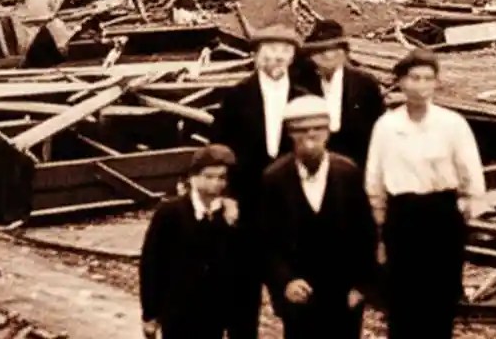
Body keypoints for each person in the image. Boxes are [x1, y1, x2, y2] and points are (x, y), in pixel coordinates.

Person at [365, 49, 488, 339]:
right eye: (414, 78)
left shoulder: (452, 123)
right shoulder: (387, 126)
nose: (421, 85)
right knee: (403, 299)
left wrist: (470, 211)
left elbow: (470, 171)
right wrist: (379, 223)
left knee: (440, 299)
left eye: (428, 79)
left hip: (441, 215)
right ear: (401, 82)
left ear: (435, 83)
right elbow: (375, 176)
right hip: (403, 216)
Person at [210, 23, 301, 339]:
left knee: (293, 293)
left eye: (284, 51)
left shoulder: (304, 98)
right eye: (270, 51)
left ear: (292, 57)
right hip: (245, 208)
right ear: (256, 56)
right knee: (241, 295)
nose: (276, 58)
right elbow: (218, 149)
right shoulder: (236, 97)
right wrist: (228, 196)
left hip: (291, 210)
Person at [261, 96, 377, 339]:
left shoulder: (347, 173)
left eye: (317, 129)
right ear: (290, 134)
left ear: (328, 132)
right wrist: (285, 283)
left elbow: (365, 233)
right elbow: (266, 241)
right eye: (301, 130)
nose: (310, 136)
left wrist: (360, 285)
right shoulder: (275, 179)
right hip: (299, 292)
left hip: (343, 293)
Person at [139, 144, 241, 339]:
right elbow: (151, 263)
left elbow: (233, 265)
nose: (216, 184)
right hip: (177, 311)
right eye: (209, 176)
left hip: (213, 313)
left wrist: (230, 226)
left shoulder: (228, 215)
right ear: (193, 178)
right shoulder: (170, 212)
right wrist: (150, 312)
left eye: (221, 178)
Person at [292, 20, 386, 167]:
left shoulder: (364, 84)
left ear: (345, 53)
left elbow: (379, 129)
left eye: (335, 49)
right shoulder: (299, 83)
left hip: (358, 164)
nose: (329, 56)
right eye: (322, 51)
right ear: (311, 56)